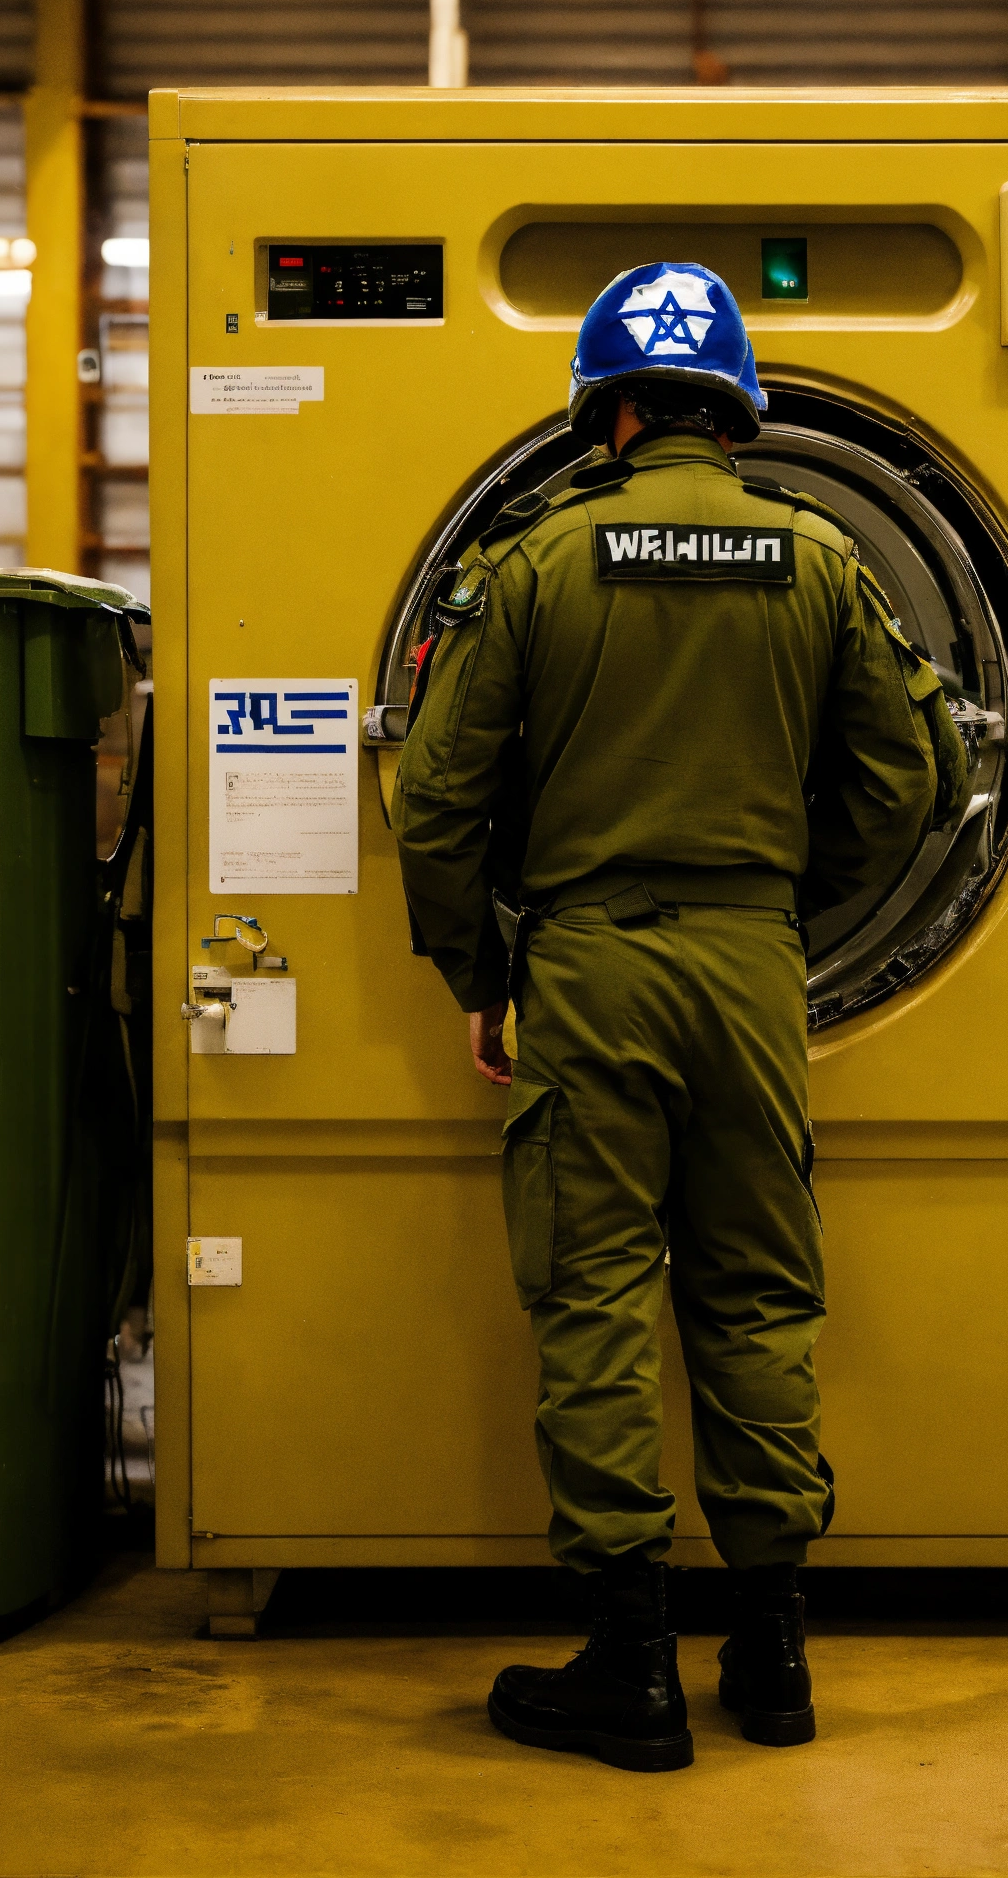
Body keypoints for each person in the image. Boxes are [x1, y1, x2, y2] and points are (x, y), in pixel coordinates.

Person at [392, 262, 969, 1773]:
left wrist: (479, 972)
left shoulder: (534, 560)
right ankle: (772, 1654)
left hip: (588, 966)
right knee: (756, 1294)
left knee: (595, 1294)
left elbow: (436, 797)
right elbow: (914, 781)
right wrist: (785, 902)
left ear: (610, 410)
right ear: (735, 409)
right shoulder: (824, 556)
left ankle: (631, 1665)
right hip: (752, 968)